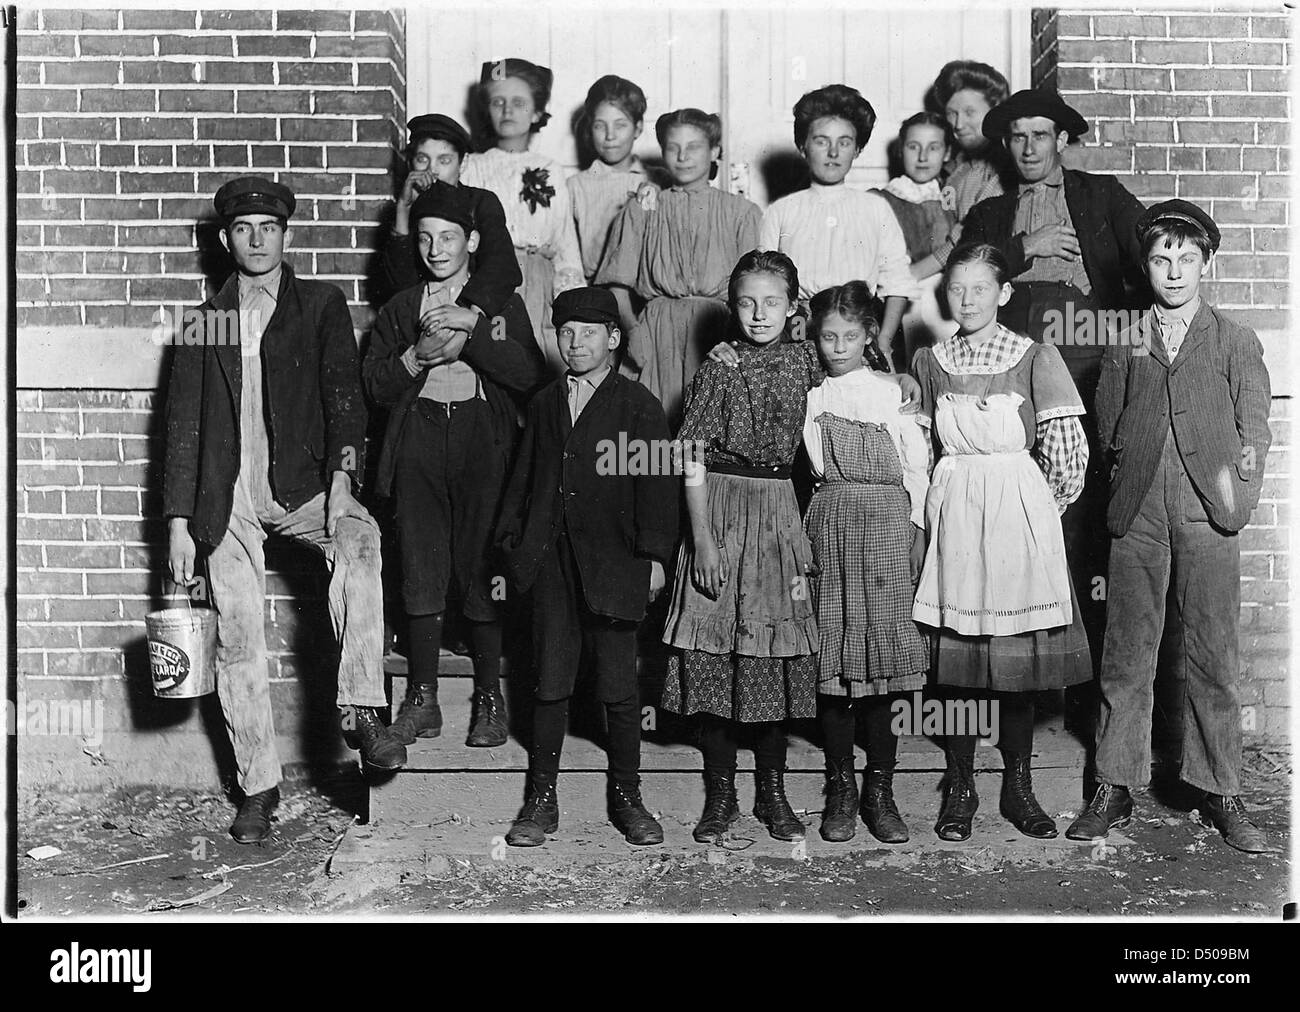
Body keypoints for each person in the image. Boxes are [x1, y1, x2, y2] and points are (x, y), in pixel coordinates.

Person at [163, 177, 406, 844]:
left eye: (268, 227)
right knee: (238, 635)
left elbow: (345, 403)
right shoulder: (203, 319)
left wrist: (344, 483)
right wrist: (181, 525)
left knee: (361, 546)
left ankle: (361, 705)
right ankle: (258, 788)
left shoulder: (320, 307)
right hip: (228, 495)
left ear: (285, 234)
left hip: (302, 484)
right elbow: (182, 426)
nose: (257, 238)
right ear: (225, 239)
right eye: (243, 229)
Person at [1066, 201, 1272, 853]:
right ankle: (1114, 784)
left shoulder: (1236, 340)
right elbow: (1107, 421)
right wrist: (1127, 480)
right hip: (1140, 511)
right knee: (1127, 652)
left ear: (1206, 262)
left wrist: (1235, 500)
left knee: (1212, 656)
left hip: (1208, 511)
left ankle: (1219, 788)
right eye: (1161, 258)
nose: (1174, 270)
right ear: (1146, 265)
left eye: (1187, 258)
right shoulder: (1126, 338)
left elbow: (1255, 430)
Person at [960, 87, 1148, 698]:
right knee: (1021, 515)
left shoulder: (1101, 196)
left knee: (1089, 517)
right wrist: (1025, 249)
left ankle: (1089, 687)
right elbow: (965, 282)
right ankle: (1023, 683)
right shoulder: (991, 215)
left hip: (1091, 367)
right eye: (1017, 137)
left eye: (1041, 135)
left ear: (1062, 140)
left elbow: (1154, 255)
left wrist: (1136, 341)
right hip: (1018, 377)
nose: (1029, 147)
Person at [911, 242, 1092, 842]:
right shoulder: (930, 359)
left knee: (1014, 663)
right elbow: (922, 447)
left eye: (980, 289)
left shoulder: (1035, 355)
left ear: (1004, 294)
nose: (967, 299)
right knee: (960, 663)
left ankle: (1018, 786)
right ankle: (960, 786)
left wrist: (1037, 513)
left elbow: (1067, 450)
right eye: (957, 289)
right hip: (956, 511)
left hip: (1015, 510)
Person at [362, 183, 546, 749]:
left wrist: (469, 339)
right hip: (418, 438)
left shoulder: (492, 306)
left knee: (480, 560)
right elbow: (372, 384)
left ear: (471, 240)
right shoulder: (402, 306)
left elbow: (529, 374)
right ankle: (421, 699)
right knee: (420, 559)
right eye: (424, 238)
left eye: (448, 238)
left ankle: (489, 697)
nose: (436, 249)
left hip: (478, 439)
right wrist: (416, 356)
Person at [497, 287, 679, 847]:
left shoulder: (637, 405)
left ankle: (628, 797)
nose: (576, 344)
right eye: (566, 333)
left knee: (619, 687)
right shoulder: (546, 402)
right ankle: (541, 800)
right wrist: (512, 545)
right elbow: (525, 480)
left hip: (616, 562)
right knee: (550, 683)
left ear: (614, 340)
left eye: (590, 333)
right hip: (554, 564)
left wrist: (653, 558)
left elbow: (658, 488)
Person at [802, 282, 931, 844]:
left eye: (849, 336)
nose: (837, 347)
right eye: (828, 336)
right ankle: (840, 788)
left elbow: (917, 469)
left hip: (885, 522)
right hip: (831, 521)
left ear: (870, 335)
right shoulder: (811, 396)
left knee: (881, 666)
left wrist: (917, 530)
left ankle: (881, 789)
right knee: (834, 660)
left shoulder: (892, 392)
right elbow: (808, 466)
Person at [595, 108, 761, 427]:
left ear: (714, 151)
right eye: (673, 147)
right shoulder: (643, 207)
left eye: (694, 147)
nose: (683, 156)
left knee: (710, 437)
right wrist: (633, 332)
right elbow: (616, 285)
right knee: (650, 437)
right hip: (656, 334)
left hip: (717, 335)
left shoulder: (742, 213)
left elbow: (753, 291)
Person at [759, 84, 914, 368]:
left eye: (844, 142)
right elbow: (764, 285)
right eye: (821, 140)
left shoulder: (874, 208)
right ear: (802, 146)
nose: (833, 151)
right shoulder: (781, 211)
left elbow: (897, 281)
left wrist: (884, 341)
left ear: (857, 149)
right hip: (799, 333)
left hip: (860, 333)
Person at [461, 58, 583, 371]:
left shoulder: (550, 169)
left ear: (537, 112)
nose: (507, 111)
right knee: (494, 358)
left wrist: (572, 304)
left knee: (537, 364)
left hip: (538, 282)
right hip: (489, 278)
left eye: (518, 103)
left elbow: (564, 242)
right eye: (498, 102)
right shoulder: (472, 166)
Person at [377, 113, 522, 319]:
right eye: (422, 159)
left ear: (462, 164)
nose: (431, 170)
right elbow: (398, 288)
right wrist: (403, 209)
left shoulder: (481, 203)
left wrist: (468, 324)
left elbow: (502, 268)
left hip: (473, 312)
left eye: (444, 160)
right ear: (411, 164)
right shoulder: (408, 209)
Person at [567, 75, 667, 339]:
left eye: (620, 125)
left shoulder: (660, 180)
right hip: (596, 302)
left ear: (637, 128)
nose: (610, 136)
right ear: (589, 128)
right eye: (600, 126)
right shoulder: (576, 186)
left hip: (649, 301)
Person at [914, 59, 1014, 281]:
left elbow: (967, 238)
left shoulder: (1001, 170)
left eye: (969, 112)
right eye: (952, 113)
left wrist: (912, 274)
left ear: (995, 112)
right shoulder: (957, 170)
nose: (958, 124)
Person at [874, 111, 961, 362]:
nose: (923, 157)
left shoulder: (952, 194)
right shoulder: (885, 198)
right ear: (901, 150)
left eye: (933, 148)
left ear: (946, 153)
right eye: (914, 147)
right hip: (902, 297)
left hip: (948, 295)